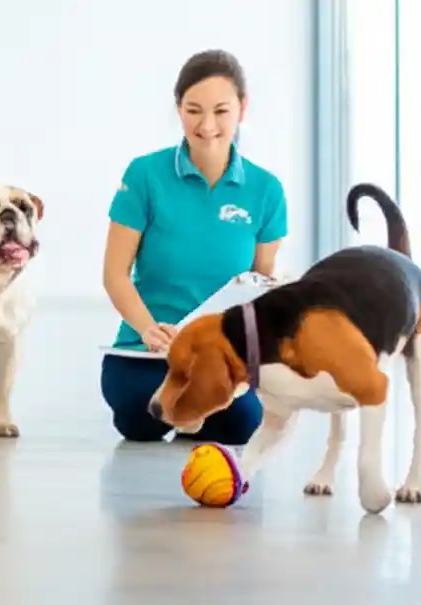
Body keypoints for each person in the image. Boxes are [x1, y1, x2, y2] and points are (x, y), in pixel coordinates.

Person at [100, 49, 287, 445]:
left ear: (242, 107)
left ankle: (195, 411)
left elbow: (261, 281)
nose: (206, 126)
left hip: (219, 354)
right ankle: (181, 411)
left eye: (221, 111)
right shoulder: (144, 175)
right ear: (178, 108)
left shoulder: (266, 190)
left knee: (238, 424)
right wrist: (148, 329)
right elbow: (115, 274)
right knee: (140, 419)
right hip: (147, 347)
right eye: (193, 110)